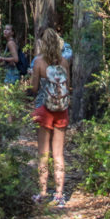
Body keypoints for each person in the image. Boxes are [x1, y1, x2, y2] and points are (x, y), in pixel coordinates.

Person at [28, 25, 71, 207]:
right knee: (59, 154)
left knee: (43, 153)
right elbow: (68, 87)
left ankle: (43, 192)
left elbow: (34, 89)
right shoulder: (64, 62)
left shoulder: (38, 62)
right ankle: (60, 195)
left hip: (43, 108)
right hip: (61, 109)